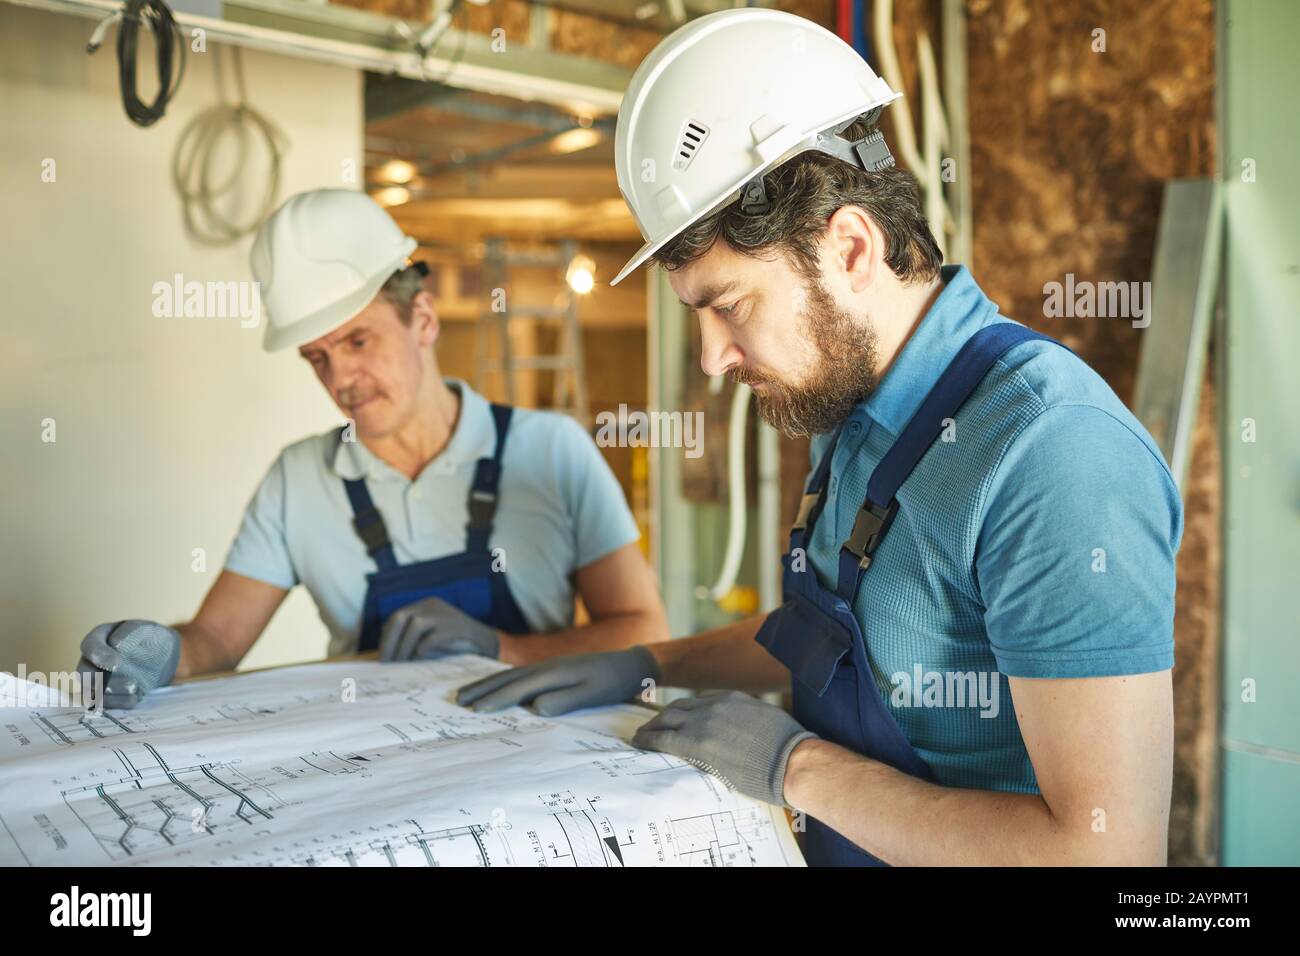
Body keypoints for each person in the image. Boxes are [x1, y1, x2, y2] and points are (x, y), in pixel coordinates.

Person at [455, 8, 1182, 866]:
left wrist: (798, 768)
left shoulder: (1051, 451)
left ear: (848, 248)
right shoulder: (858, 408)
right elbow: (839, 641)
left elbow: (1106, 856)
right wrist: (645, 658)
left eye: (728, 306)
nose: (714, 359)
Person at [75, 189, 667, 710]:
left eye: (358, 340)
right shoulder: (299, 479)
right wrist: (161, 652)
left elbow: (645, 631)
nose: (342, 379)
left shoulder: (551, 451)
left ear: (424, 320)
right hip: (375, 776)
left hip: (533, 774)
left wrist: (500, 648)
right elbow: (219, 640)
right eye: (318, 358)